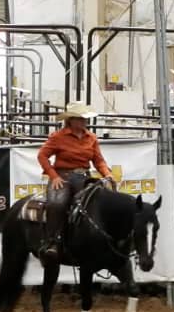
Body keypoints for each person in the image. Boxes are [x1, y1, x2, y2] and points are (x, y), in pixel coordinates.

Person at [36, 102, 115, 263]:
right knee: (57, 203)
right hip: (62, 176)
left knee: (103, 201)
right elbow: (42, 156)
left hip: (84, 177)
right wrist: (53, 176)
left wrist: (107, 174)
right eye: (80, 118)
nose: (84, 121)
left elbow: (98, 160)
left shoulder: (91, 137)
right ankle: (53, 242)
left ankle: (105, 240)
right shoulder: (58, 137)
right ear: (70, 120)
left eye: (84, 118)